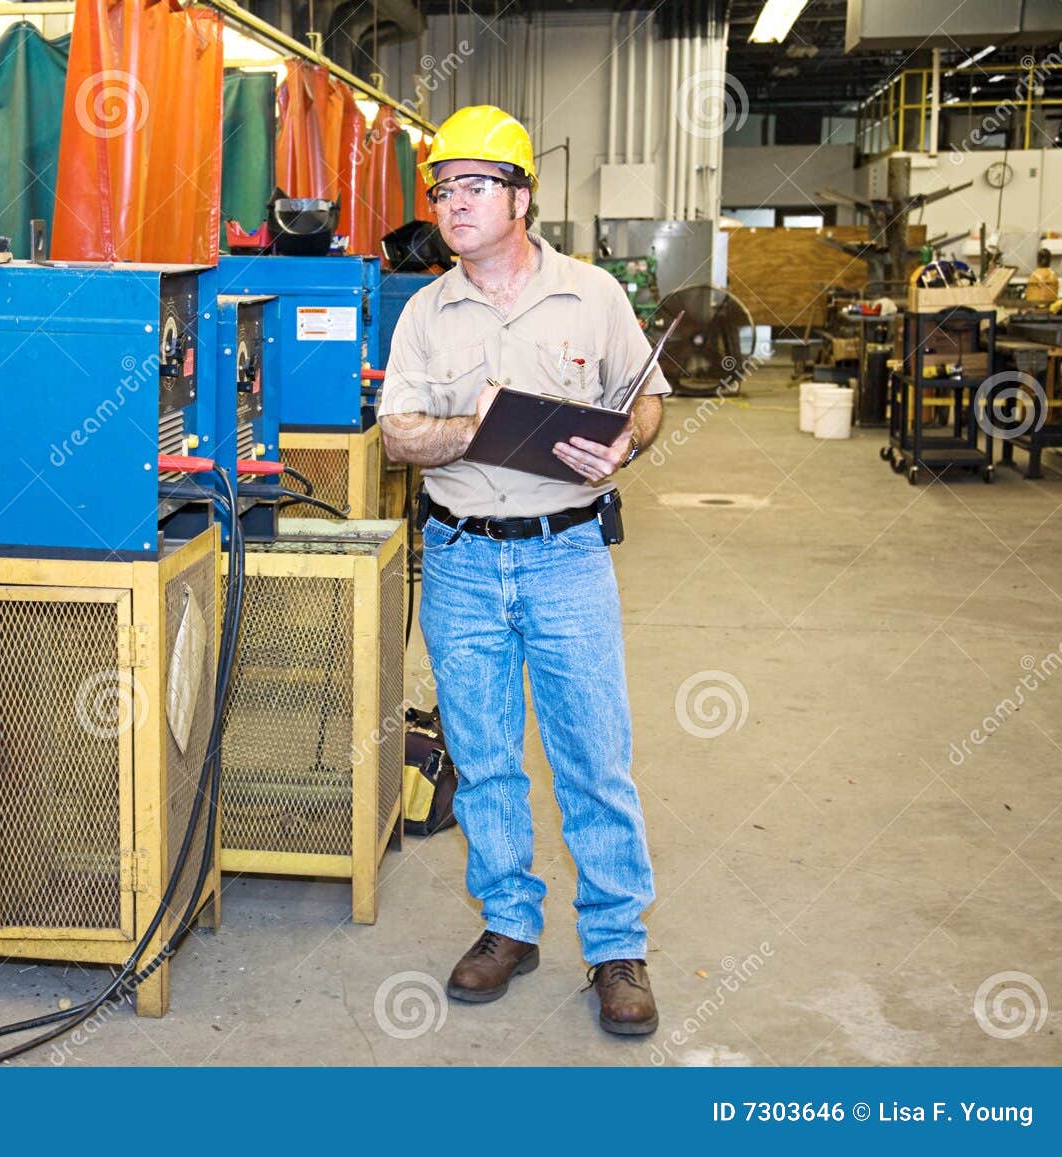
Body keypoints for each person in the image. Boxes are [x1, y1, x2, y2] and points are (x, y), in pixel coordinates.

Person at [378, 106, 668, 1037]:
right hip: (461, 556)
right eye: (442, 189)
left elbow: (649, 400)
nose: (453, 204)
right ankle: (509, 924)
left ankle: (617, 943)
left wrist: (624, 443)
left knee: (593, 755)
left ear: (522, 198)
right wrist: (482, 429)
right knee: (488, 755)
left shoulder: (593, 296)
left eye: (474, 186)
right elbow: (397, 432)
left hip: (567, 554)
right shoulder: (426, 311)